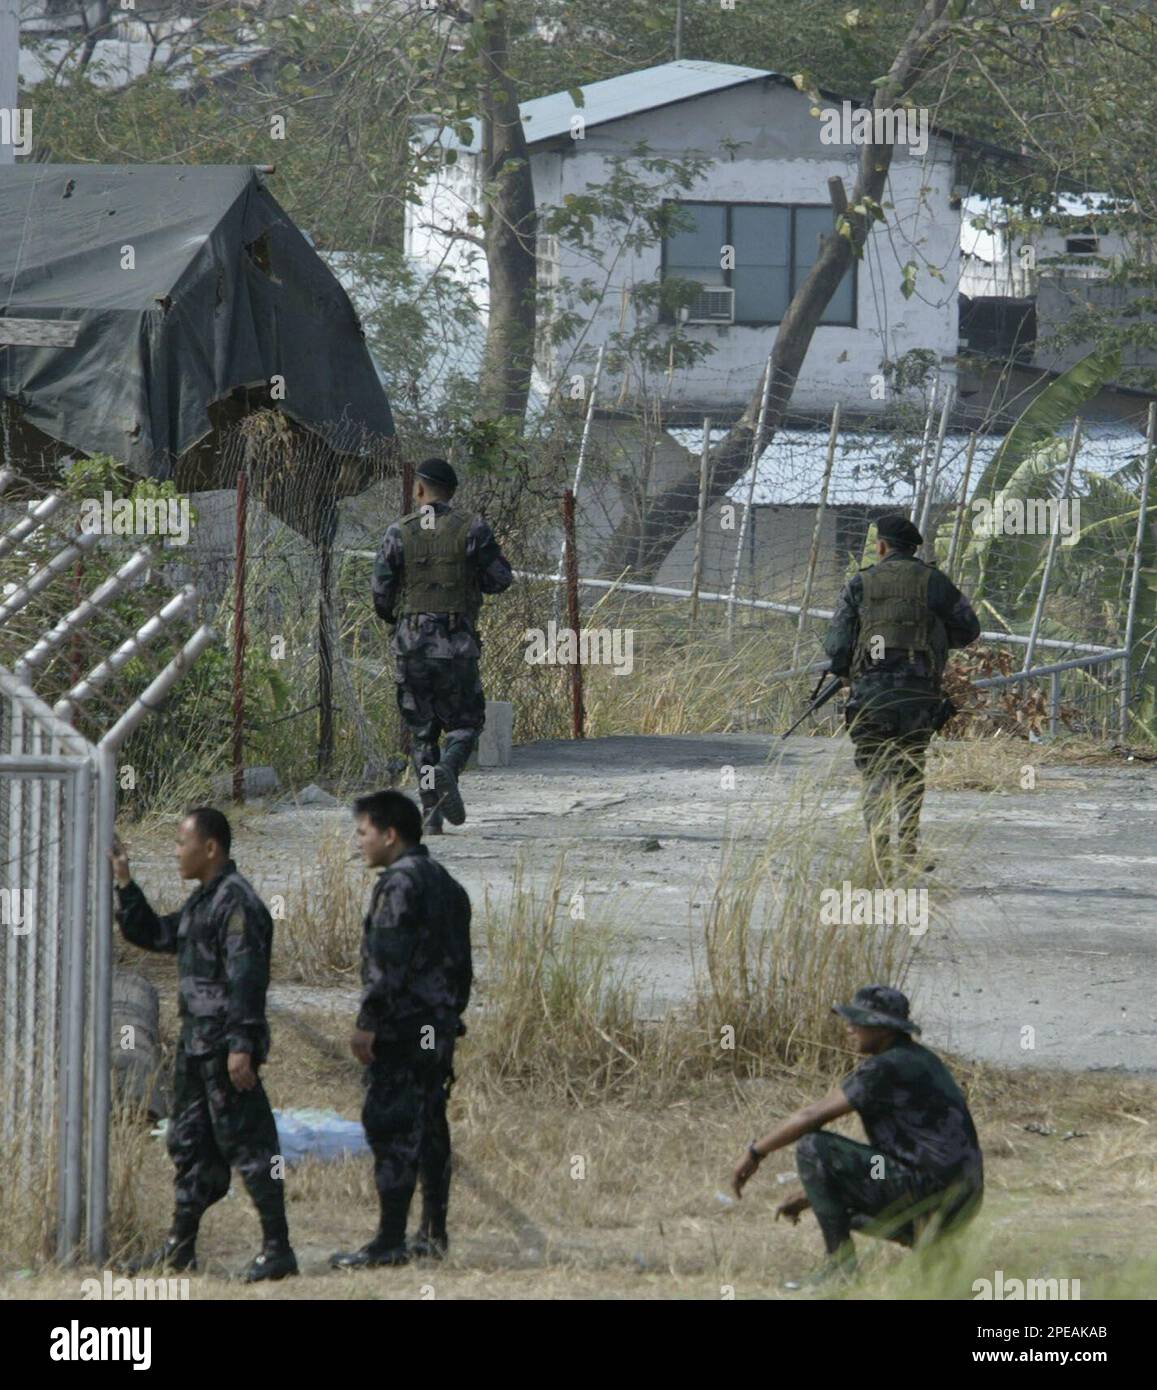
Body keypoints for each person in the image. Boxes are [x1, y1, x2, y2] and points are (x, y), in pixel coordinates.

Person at [110, 808, 297, 1282]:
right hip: (197, 1049)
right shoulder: (204, 902)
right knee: (189, 1144)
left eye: (180, 842)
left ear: (209, 848)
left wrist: (241, 1045)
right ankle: (180, 1247)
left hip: (223, 1050)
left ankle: (279, 1249)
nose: (176, 851)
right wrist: (125, 883)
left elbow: (247, 980)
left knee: (253, 1146)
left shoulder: (237, 904)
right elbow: (152, 933)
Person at [731, 985, 983, 1286]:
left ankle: (840, 1272)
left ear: (884, 1028)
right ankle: (936, 1252)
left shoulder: (884, 1068)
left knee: (814, 1147)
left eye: (858, 1021)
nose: (849, 1028)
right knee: (837, 1204)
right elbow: (904, 1156)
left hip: (928, 1193)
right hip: (963, 1201)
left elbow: (812, 1116)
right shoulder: (922, 1059)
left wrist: (755, 1152)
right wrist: (815, 1194)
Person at [330, 790, 473, 1269]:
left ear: (390, 835)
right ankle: (433, 1233)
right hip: (439, 1029)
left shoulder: (398, 885)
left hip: (403, 1030)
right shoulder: (446, 883)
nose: (360, 842)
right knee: (430, 1125)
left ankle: (389, 1240)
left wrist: (369, 1024)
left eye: (364, 833)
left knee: (391, 1125)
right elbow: (461, 968)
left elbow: (387, 963)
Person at [824, 513, 980, 872]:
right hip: (919, 696)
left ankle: (880, 858)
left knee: (876, 773)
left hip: (872, 696)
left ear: (881, 546)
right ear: (913, 549)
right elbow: (969, 629)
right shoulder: (934, 582)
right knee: (910, 769)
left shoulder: (861, 583)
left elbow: (836, 647)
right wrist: (934, 640)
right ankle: (909, 851)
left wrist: (850, 669)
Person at [372, 457, 513, 833]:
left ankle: (431, 813)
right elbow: (501, 579)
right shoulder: (473, 529)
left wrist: (405, 624)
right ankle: (449, 768)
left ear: (419, 489)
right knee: (465, 724)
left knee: (422, 734)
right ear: (451, 493)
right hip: (456, 646)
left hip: (412, 647)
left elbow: (381, 596)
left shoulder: (398, 532)